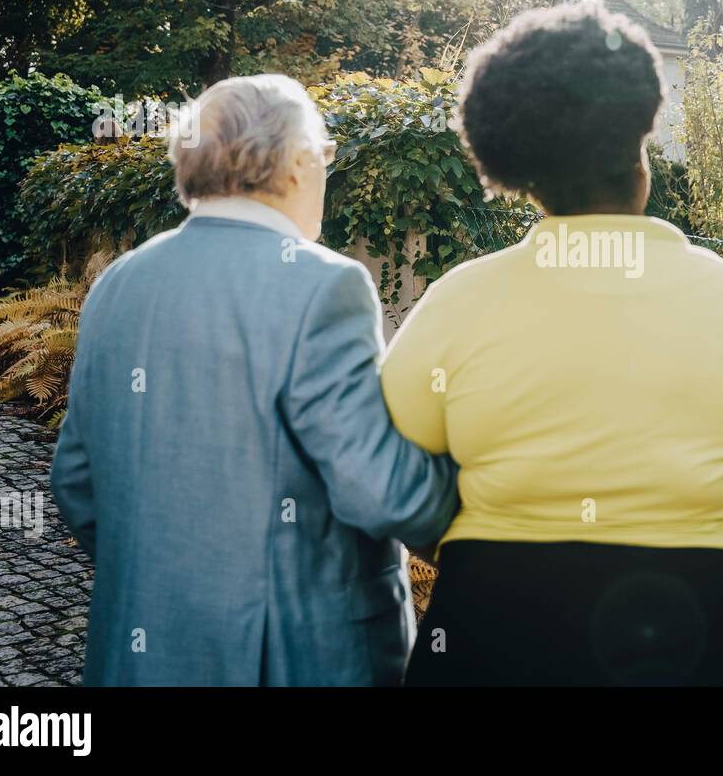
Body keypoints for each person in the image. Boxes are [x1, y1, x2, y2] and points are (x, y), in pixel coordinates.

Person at [380, 1, 723, 686]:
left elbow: (393, 469)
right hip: (700, 635)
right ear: (641, 160)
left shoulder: (456, 303)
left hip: (490, 632)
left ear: (525, 179)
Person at [50, 74, 459, 686]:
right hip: (291, 660)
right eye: (325, 156)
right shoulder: (323, 285)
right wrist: (483, 503)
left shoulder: (117, 285)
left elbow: (76, 483)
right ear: (295, 164)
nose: (325, 171)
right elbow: (377, 488)